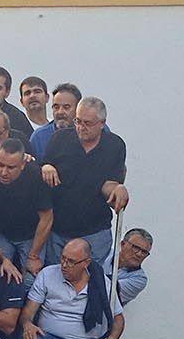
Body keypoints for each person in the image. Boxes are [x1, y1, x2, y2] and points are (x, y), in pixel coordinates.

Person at [43, 97, 127, 267]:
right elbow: (44, 164)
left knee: (91, 282)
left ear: (102, 123)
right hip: (58, 230)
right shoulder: (60, 139)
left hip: (94, 231)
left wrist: (118, 189)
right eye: (78, 121)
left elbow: (110, 183)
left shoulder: (114, 145)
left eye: (87, 123)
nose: (81, 127)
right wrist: (46, 167)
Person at [0, 138, 53, 275]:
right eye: (0, 165)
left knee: (30, 279)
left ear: (22, 164)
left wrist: (33, 256)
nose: (4, 172)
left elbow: (46, 217)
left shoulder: (35, 176)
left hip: (30, 235)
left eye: (11, 167)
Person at [30, 82, 81, 160]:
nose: (60, 112)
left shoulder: (90, 132)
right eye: (56, 107)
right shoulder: (39, 137)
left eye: (66, 107)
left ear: (78, 109)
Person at [110, 228, 154, 305]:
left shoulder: (139, 279)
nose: (139, 254)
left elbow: (107, 291)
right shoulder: (104, 255)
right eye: (135, 247)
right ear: (123, 244)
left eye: (144, 252)